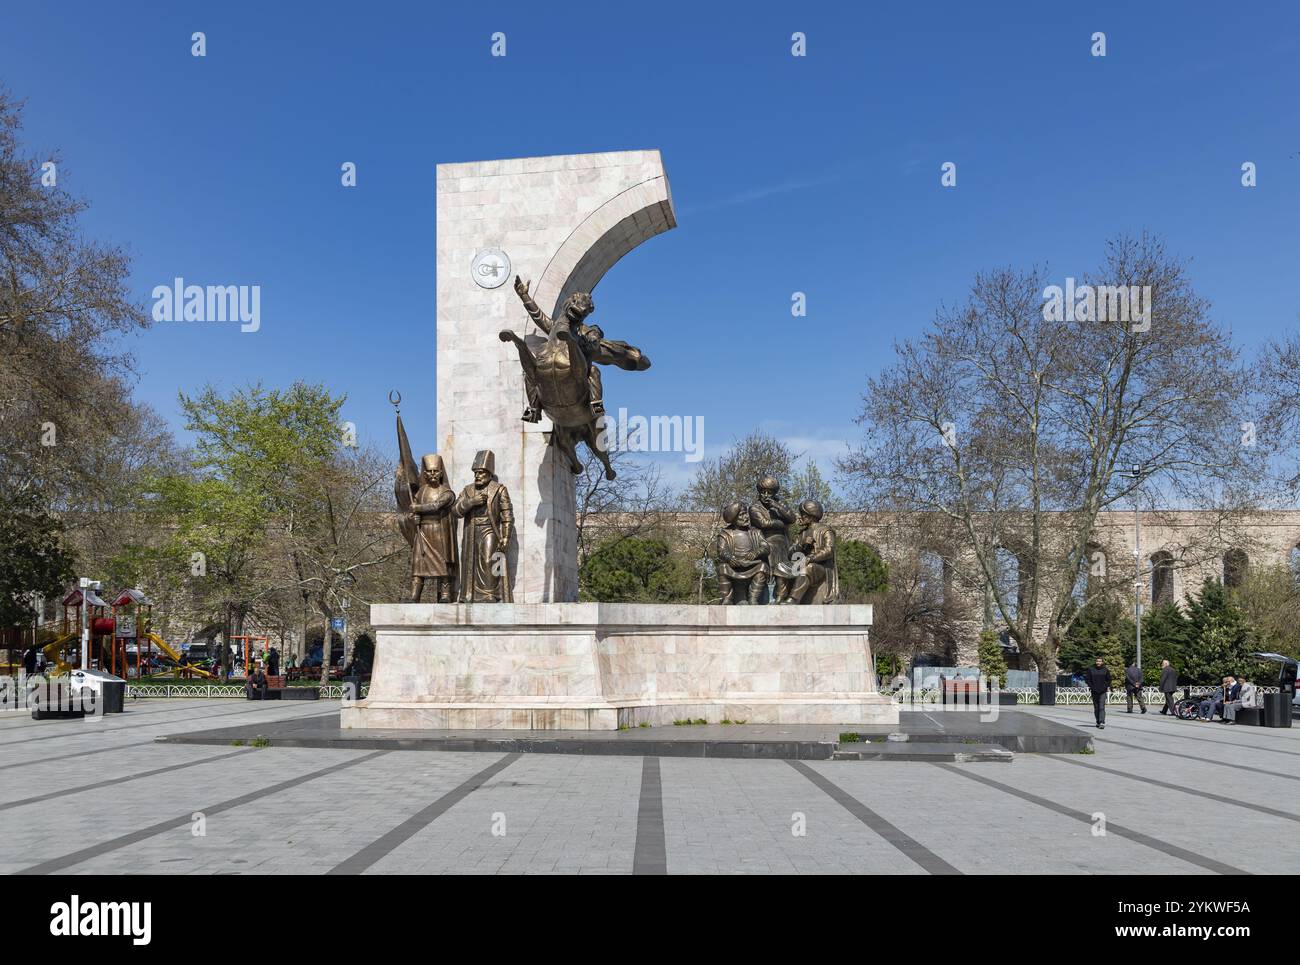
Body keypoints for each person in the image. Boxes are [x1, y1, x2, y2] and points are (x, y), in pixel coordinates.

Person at [1084, 657, 1113, 729]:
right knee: (1096, 708)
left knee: (1101, 707)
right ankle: (1097, 721)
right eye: (1097, 661)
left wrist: (1105, 687)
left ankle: (1102, 722)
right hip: (1094, 691)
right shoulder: (1091, 669)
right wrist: (1092, 687)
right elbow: (1087, 679)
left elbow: (1109, 680)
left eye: (1100, 661)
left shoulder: (1105, 670)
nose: (1098, 663)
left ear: (1102, 662)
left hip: (1102, 691)